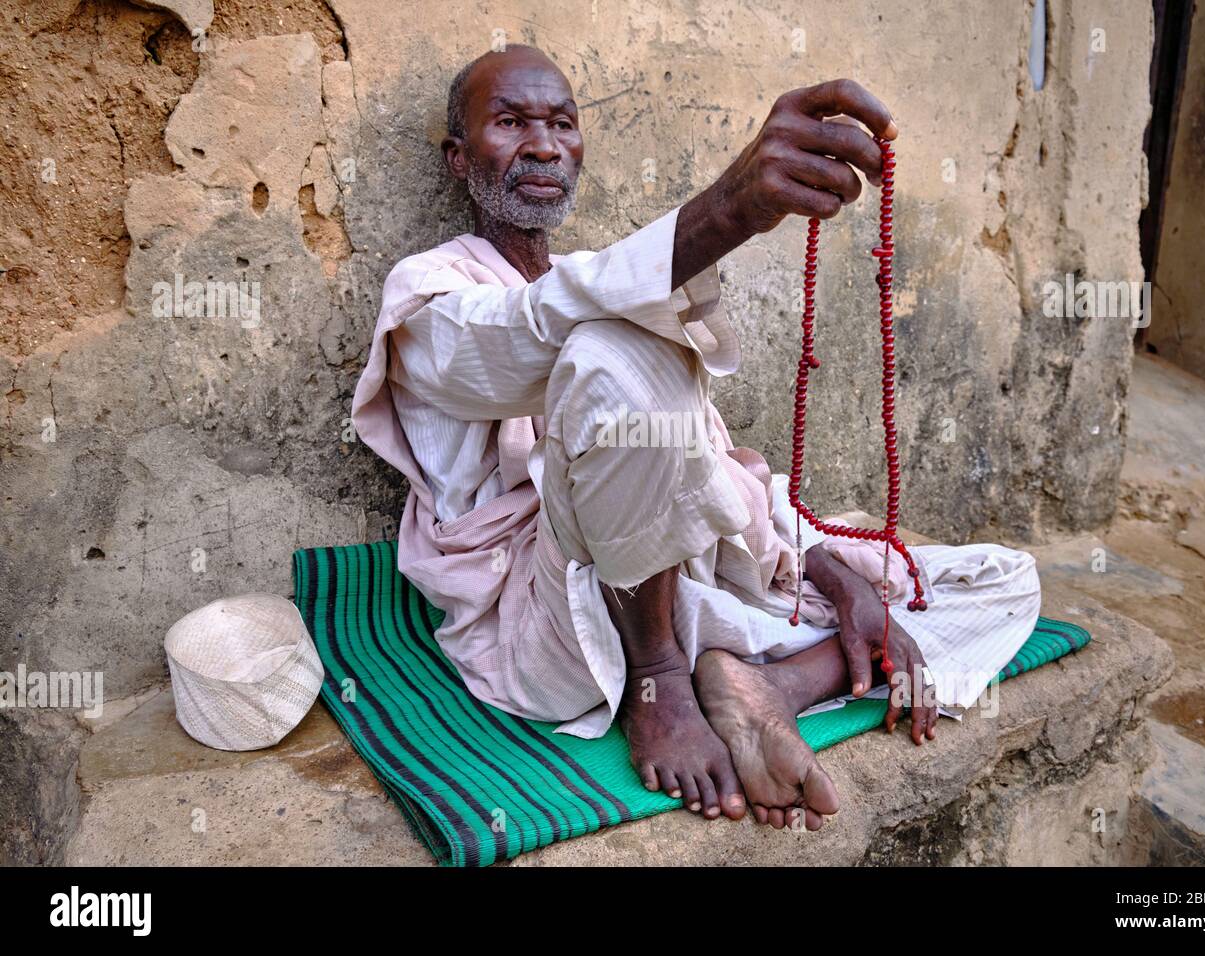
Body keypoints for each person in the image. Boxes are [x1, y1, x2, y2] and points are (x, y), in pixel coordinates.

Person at [352, 44, 1040, 831]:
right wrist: (729, 211)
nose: (544, 145)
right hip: (558, 624)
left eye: (563, 125)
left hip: (681, 579)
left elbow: (707, 462)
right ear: (458, 158)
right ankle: (661, 681)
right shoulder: (430, 292)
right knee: (619, 347)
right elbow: (525, 336)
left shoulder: (600, 279)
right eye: (511, 123)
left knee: (1000, 579)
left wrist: (828, 568)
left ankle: (768, 688)